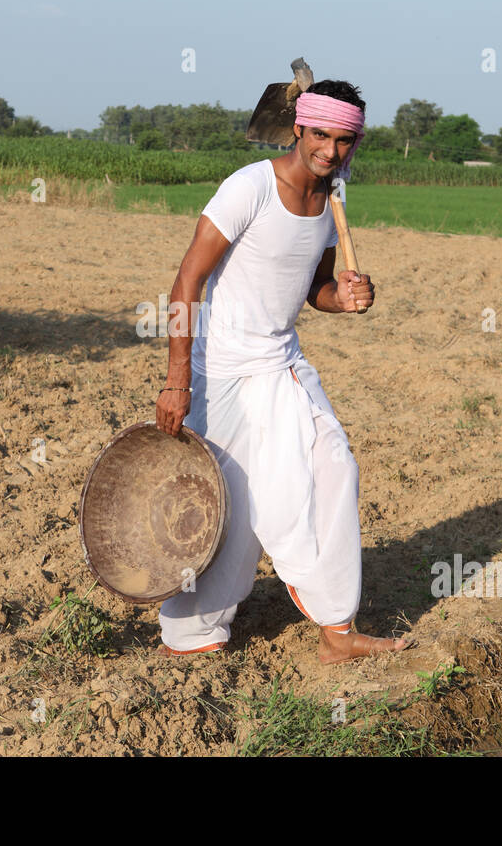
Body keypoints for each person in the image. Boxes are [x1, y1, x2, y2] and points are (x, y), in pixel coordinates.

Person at [152, 80, 411, 664]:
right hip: (222, 373)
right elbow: (187, 280)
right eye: (321, 134)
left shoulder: (333, 201)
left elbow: (313, 288)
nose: (331, 150)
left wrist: (340, 299)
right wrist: (177, 380)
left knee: (334, 468)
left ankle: (337, 629)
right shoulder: (250, 188)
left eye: (345, 140)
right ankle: (192, 636)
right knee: (228, 506)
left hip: (284, 364)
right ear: (298, 128)